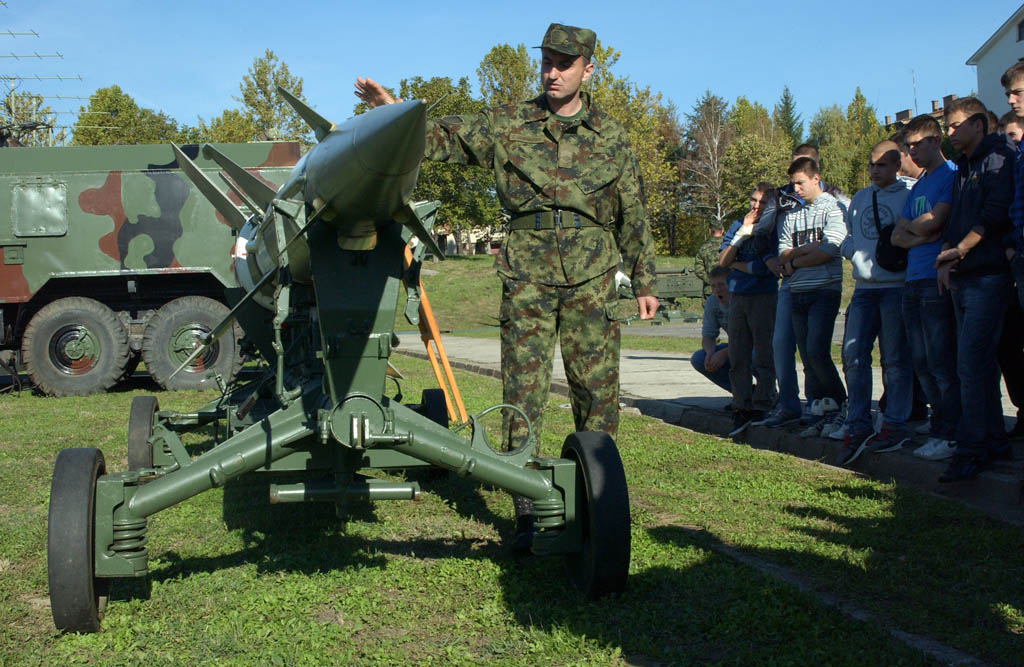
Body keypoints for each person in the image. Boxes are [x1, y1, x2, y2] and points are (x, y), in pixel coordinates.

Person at [354, 23, 659, 550]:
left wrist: (645, 278)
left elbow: (632, 209)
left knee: (597, 394)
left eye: (564, 64)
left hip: (593, 277)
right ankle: (528, 509)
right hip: (527, 278)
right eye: (546, 62)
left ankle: (597, 503)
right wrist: (393, 111)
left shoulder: (611, 135)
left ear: (588, 69)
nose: (552, 72)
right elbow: (444, 137)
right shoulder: (509, 122)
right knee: (523, 394)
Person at [935, 97, 1014, 482]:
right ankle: (993, 439)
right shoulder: (964, 164)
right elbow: (956, 220)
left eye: (954, 125)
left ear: (978, 124)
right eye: (946, 126)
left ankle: (972, 448)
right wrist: (947, 259)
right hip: (963, 277)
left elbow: (993, 215)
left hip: (988, 275)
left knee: (970, 363)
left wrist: (960, 250)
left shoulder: (999, 158)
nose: (948, 132)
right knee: (976, 365)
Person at [752, 145, 848, 429]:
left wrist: (795, 259)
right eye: (792, 182)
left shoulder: (835, 203)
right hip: (795, 289)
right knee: (797, 350)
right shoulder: (787, 207)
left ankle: (836, 402)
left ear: (816, 175)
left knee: (817, 349)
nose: (795, 188)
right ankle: (807, 407)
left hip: (824, 288)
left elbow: (830, 248)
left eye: (800, 182)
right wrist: (796, 255)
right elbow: (779, 246)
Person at [833, 141, 913, 466]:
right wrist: (851, 252)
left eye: (881, 165)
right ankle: (857, 422)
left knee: (895, 360)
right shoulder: (861, 198)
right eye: (871, 165)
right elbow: (849, 234)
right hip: (864, 288)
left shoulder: (909, 194)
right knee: (853, 355)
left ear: (897, 165)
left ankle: (894, 423)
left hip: (896, 287)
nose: (874, 170)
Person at [890, 114, 960, 461]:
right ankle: (940, 424)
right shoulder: (918, 186)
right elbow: (897, 235)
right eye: (909, 146)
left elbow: (938, 221)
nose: (912, 152)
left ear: (935, 141)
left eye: (917, 145)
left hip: (935, 279)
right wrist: (923, 233)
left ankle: (952, 433)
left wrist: (920, 231)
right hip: (912, 280)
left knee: (941, 361)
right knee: (920, 361)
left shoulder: (951, 176)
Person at [719, 182, 777, 435]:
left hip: (763, 295)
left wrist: (737, 263)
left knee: (764, 354)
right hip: (738, 295)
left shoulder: (773, 227)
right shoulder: (737, 225)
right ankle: (741, 403)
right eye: (753, 200)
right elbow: (723, 260)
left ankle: (763, 402)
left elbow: (764, 269)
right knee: (738, 354)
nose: (756, 206)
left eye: (762, 202)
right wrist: (743, 232)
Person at [691, 265, 732, 394]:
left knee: (754, 357)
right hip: (735, 347)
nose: (717, 290)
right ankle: (743, 394)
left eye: (721, 285)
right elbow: (708, 336)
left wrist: (724, 354)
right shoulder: (712, 302)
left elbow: (752, 340)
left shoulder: (744, 300)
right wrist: (710, 353)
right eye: (713, 286)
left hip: (758, 347)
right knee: (699, 358)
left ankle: (766, 394)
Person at [695, 221, 725, 298]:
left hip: (710, 290)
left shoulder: (704, 248)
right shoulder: (730, 246)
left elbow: (699, 270)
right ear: (722, 230)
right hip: (728, 288)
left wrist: (711, 281)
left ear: (710, 231)